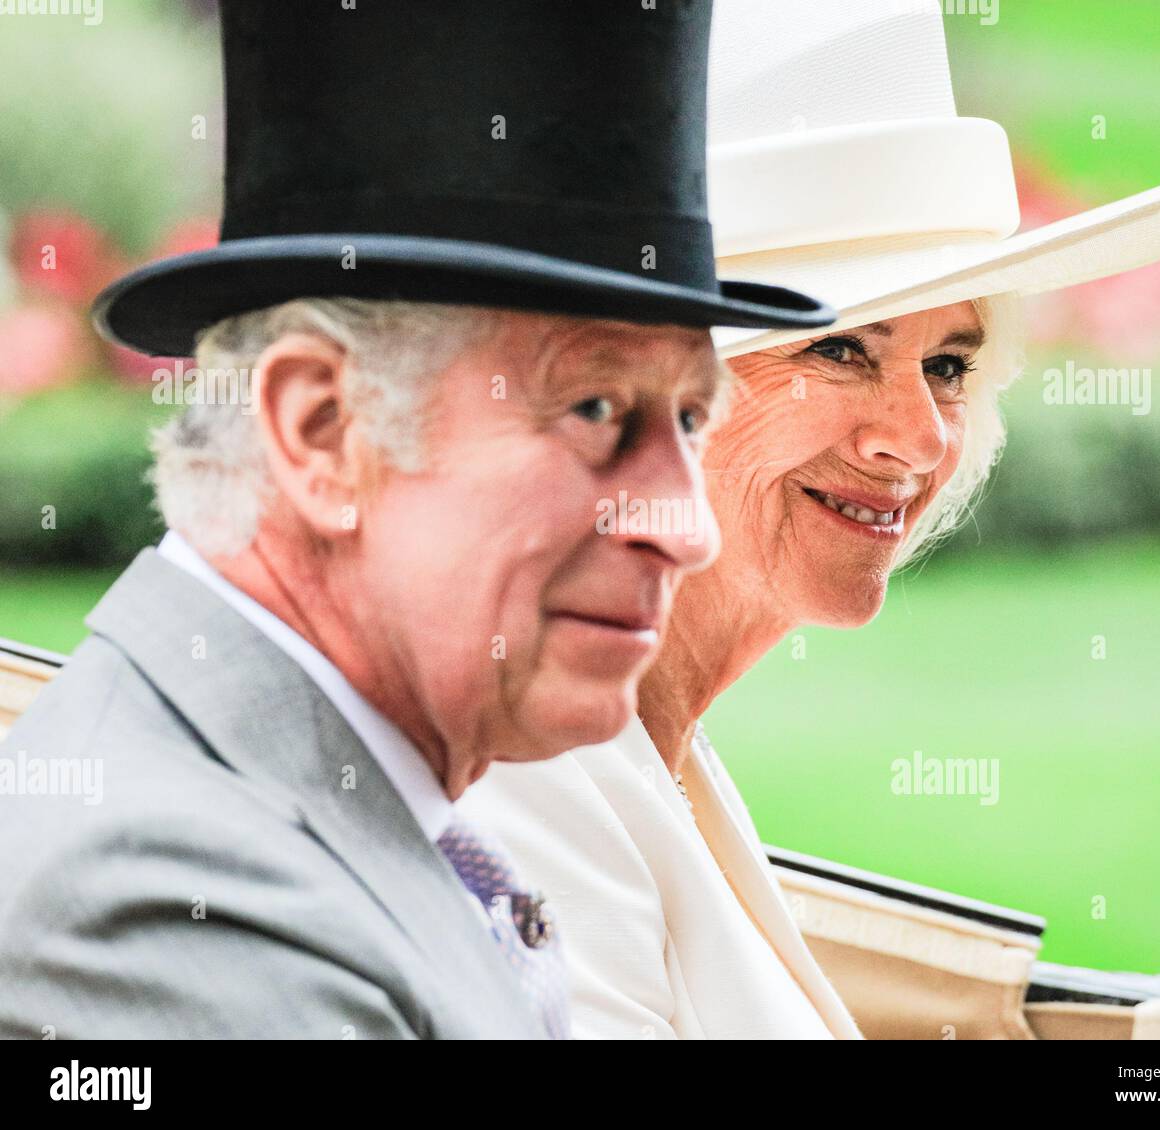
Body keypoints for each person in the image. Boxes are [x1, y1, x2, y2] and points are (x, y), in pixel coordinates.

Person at [0, 1, 834, 1040]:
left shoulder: (327, 813)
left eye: (693, 416)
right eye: (595, 407)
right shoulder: (169, 914)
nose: (687, 526)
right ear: (322, 431)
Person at [456, 0, 1160, 1038]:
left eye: (949, 365)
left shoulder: (657, 745)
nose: (915, 438)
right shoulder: (525, 775)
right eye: (840, 350)